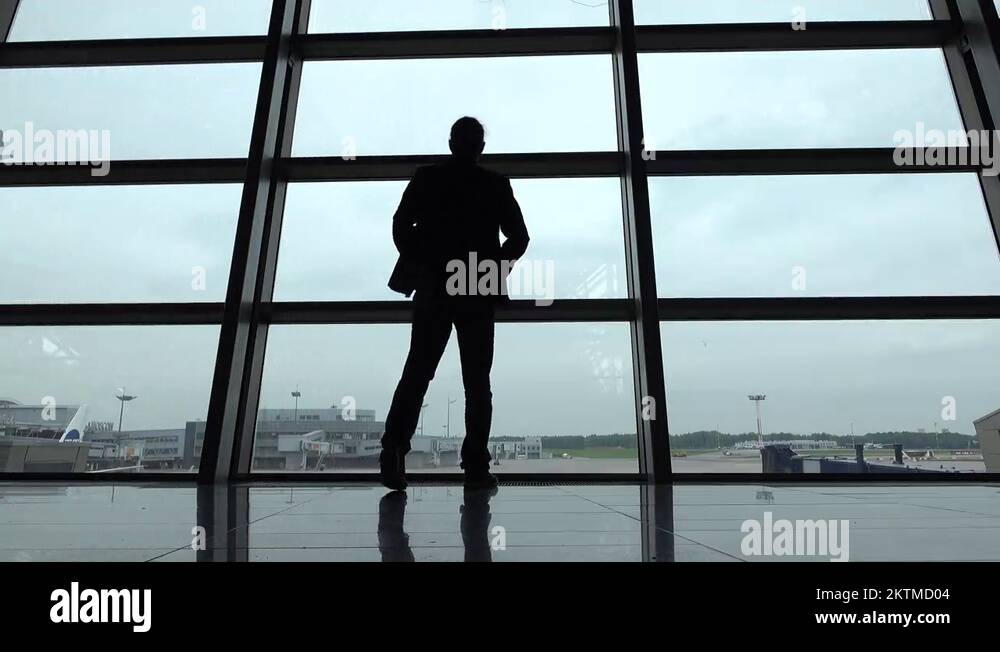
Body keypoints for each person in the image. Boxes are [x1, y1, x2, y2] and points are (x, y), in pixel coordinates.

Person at [381, 116, 530, 491]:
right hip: (476, 290)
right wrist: (491, 272)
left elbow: (401, 226)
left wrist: (425, 263)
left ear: (451, 144)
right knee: (477, 382)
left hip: (435, 287)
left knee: (417, 373)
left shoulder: (427, 177)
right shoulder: (495, 184)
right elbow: (519, 237)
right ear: (481, 148)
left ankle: (394, 450)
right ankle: (476, 466)